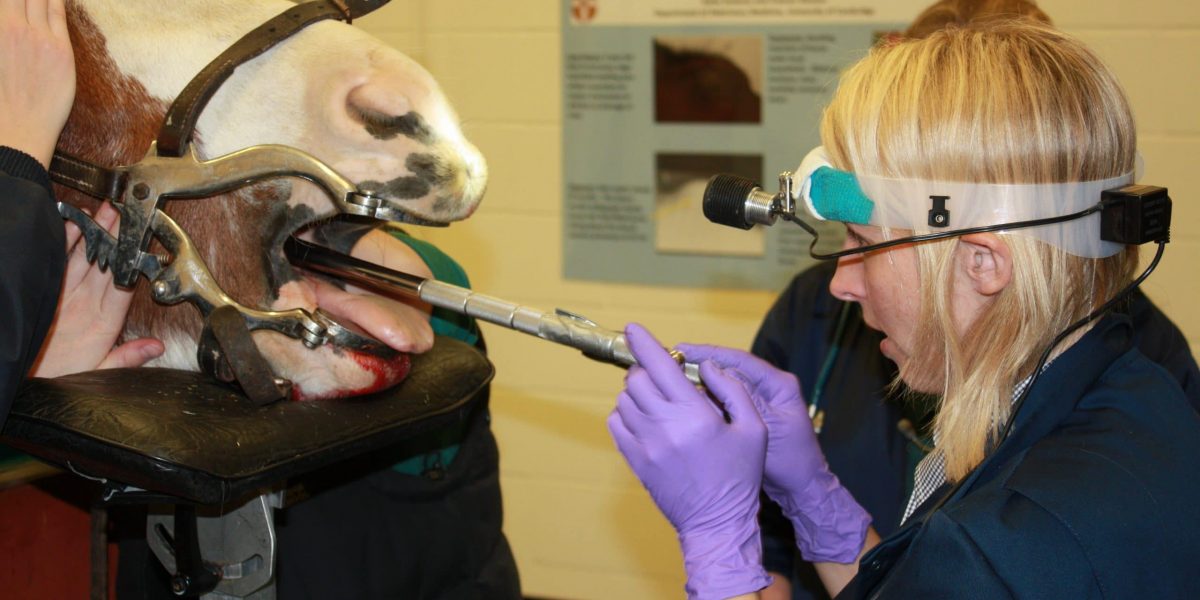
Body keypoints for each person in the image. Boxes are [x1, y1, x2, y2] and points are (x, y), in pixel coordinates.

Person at [610, 20, 1200, 599]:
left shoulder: (1009, 547)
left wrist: (718, 544)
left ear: (983, 263)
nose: (840, 284)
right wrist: (817, 500)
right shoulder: (1129, 393)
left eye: (863, 243)